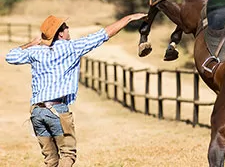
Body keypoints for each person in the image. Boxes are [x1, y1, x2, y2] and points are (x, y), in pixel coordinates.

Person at [5, 13, 147, 167]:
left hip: (36, 112)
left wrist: (32, 44)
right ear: (60, 33)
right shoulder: (72, 48)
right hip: (56, 110)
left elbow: (11, 56)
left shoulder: (35, 52)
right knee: (68, 154)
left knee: (50, 159)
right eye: (65, 27)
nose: (68, 28)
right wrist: (128, 18)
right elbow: (104, 34)